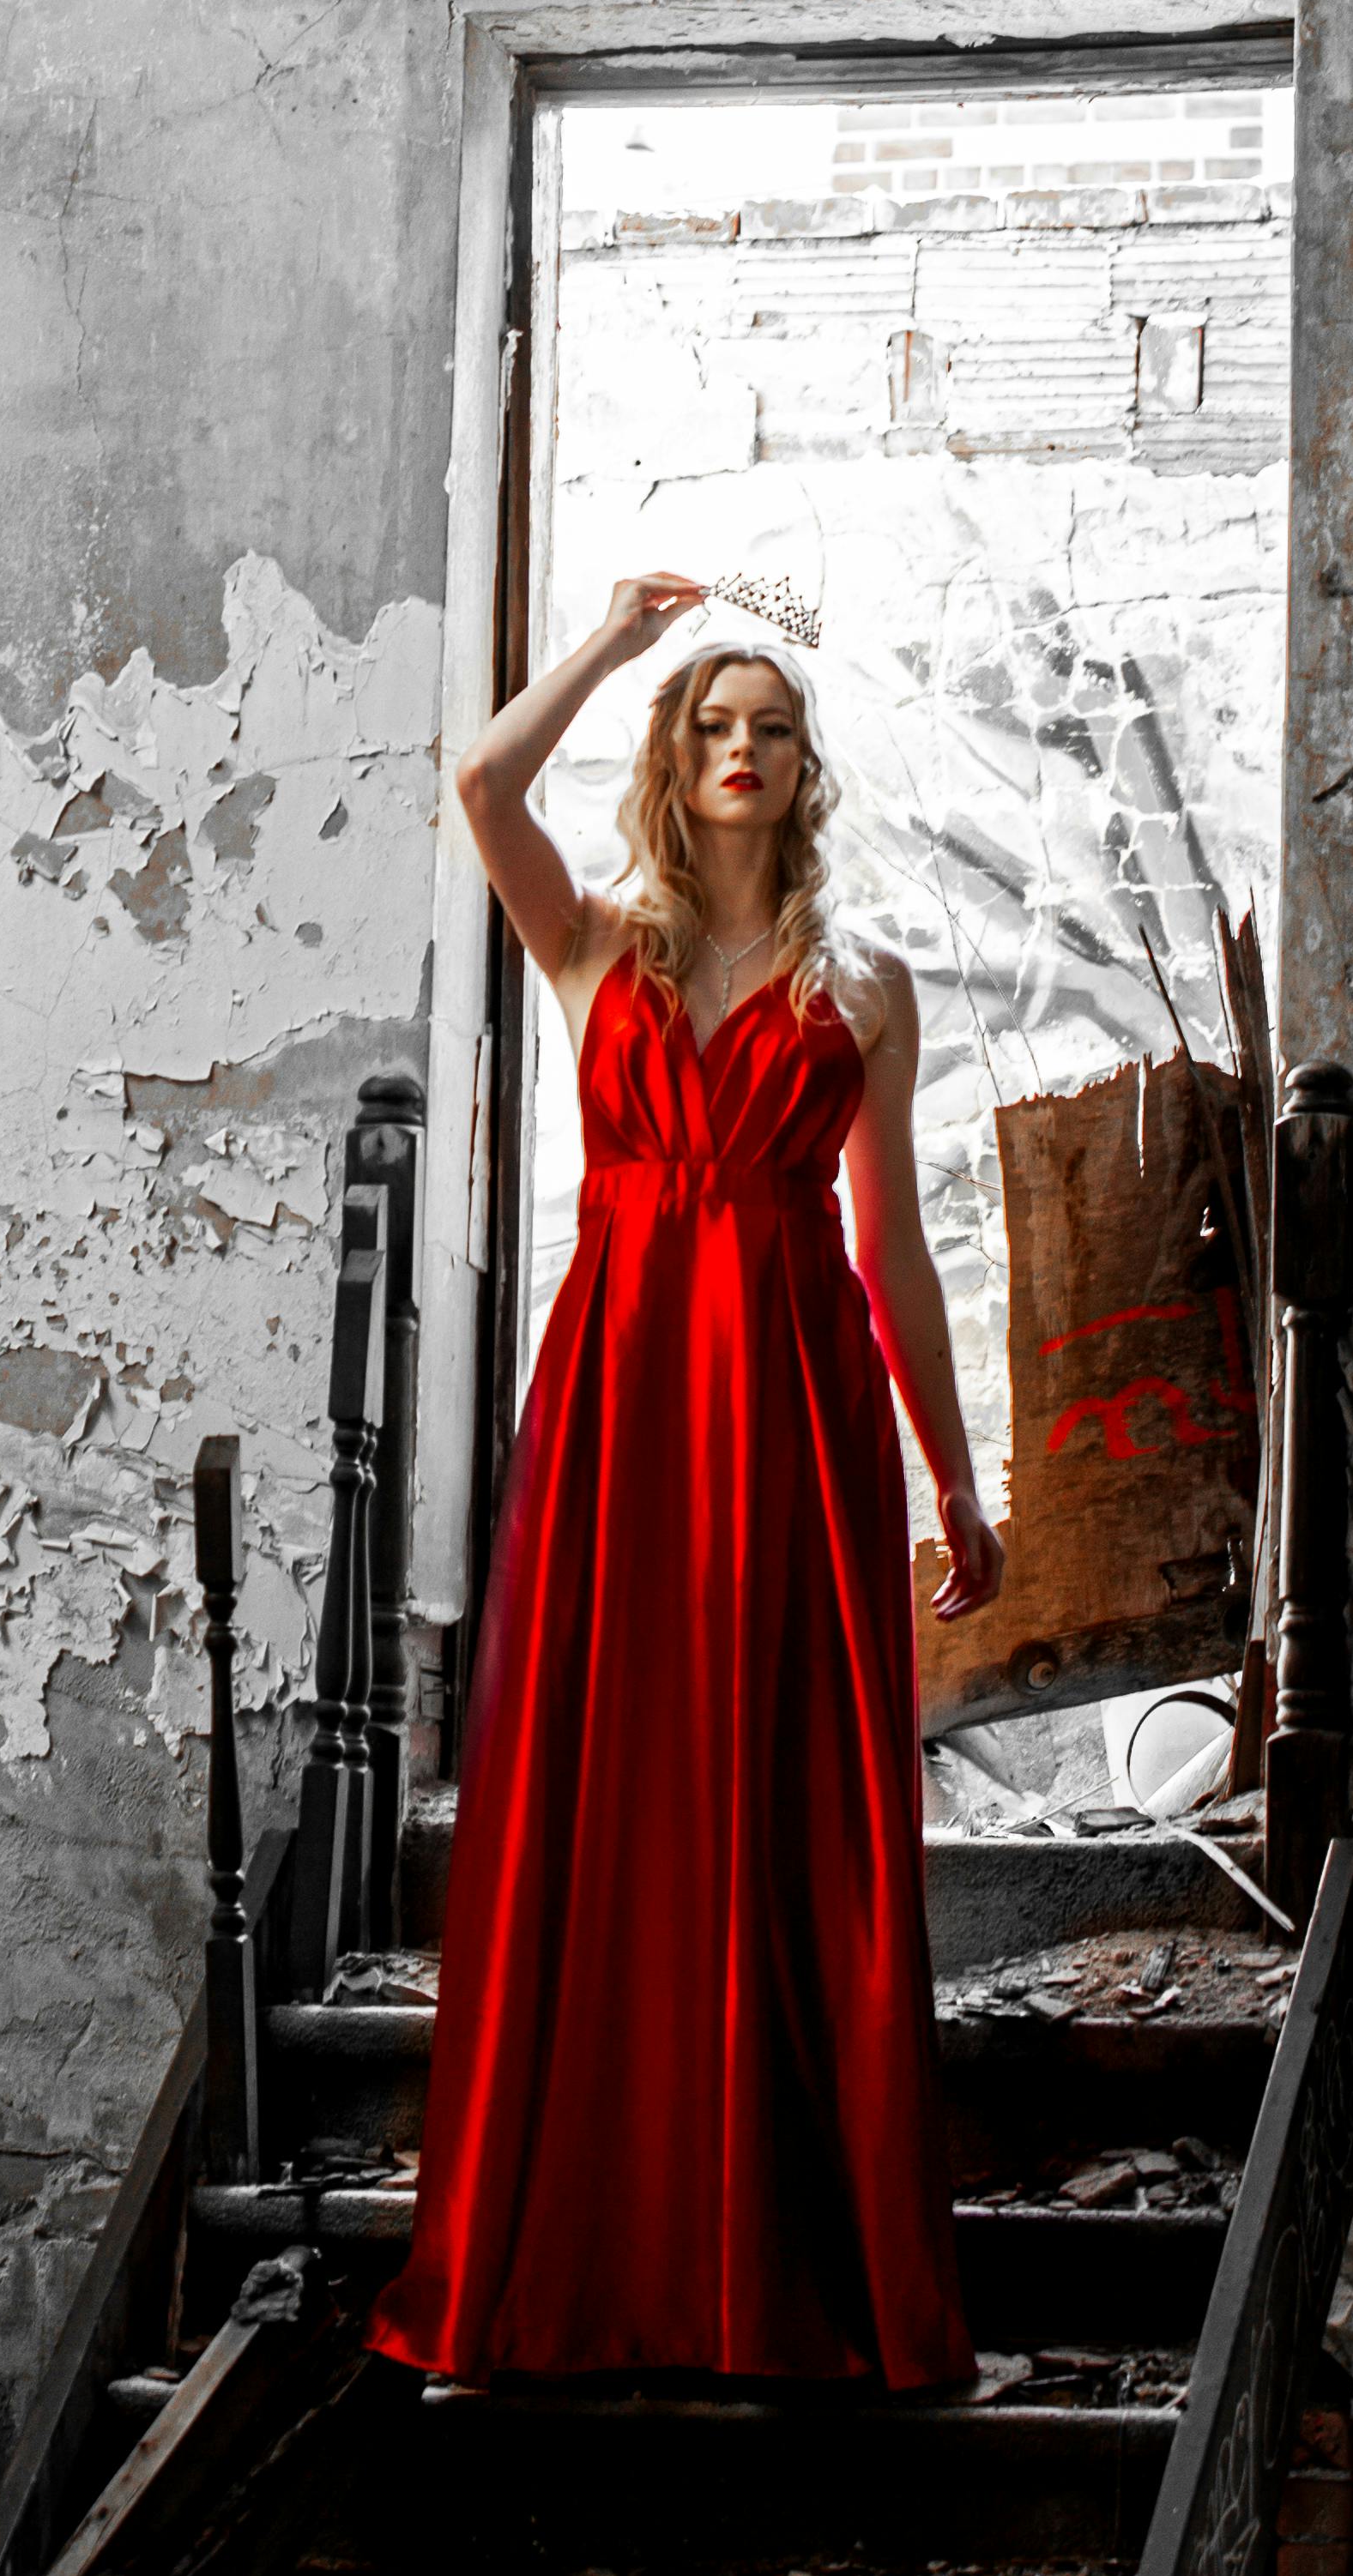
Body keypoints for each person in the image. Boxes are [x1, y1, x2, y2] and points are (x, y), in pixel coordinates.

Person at [371, 568, 1004, 2390]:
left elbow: (894, 1258)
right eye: (712, 726)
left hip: (799, 1411)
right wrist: (616, 643)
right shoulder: (598, 948)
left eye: (771, 728)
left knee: (783, 1803)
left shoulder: (864, 987)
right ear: (677, 751)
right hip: (626, 1408)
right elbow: (482, 787)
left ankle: (787, 2269)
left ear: (809, 767)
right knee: (612, 1787)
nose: (742, 749)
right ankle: (583, 2247)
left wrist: (959, 1486)